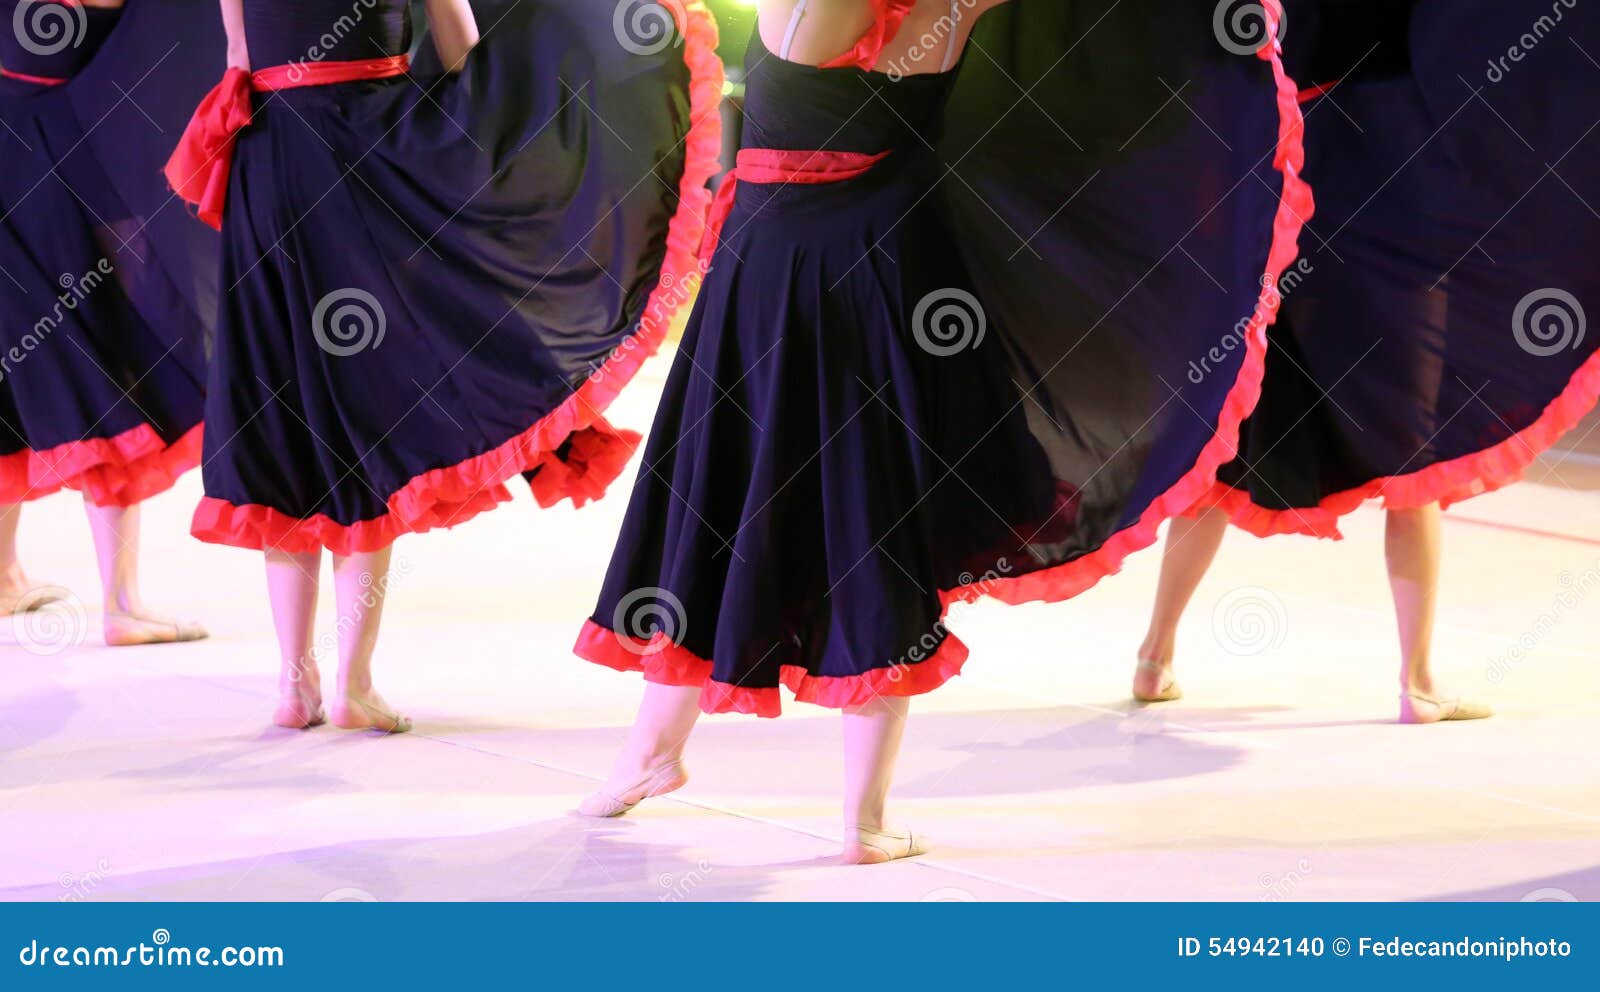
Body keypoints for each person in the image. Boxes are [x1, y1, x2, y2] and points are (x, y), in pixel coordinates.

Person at [575, 0, 1310, 862]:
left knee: (733, 500)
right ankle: (854, 817)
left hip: (774, 272)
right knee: (874, 521)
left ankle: (664, 758)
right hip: (875, 277)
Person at [166, 0, 721, 730]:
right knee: (372, 413)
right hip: (369, 160)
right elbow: (467, 63)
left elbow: (239, 59)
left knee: (281, 410)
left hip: (265, 161)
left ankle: (292, 685)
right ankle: (352, 686)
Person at [1133, 0, 1600, 723]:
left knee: (1230, 443)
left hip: (1280, 192)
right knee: (1412, 452)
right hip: (1387, 197)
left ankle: (1154, 654)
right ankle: (1417, 682)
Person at [1, 0, 219, 645]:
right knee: (112, 368)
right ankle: (121, 605)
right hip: (46, 172)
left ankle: (5, 576)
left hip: (32, 161)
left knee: (22, 374)